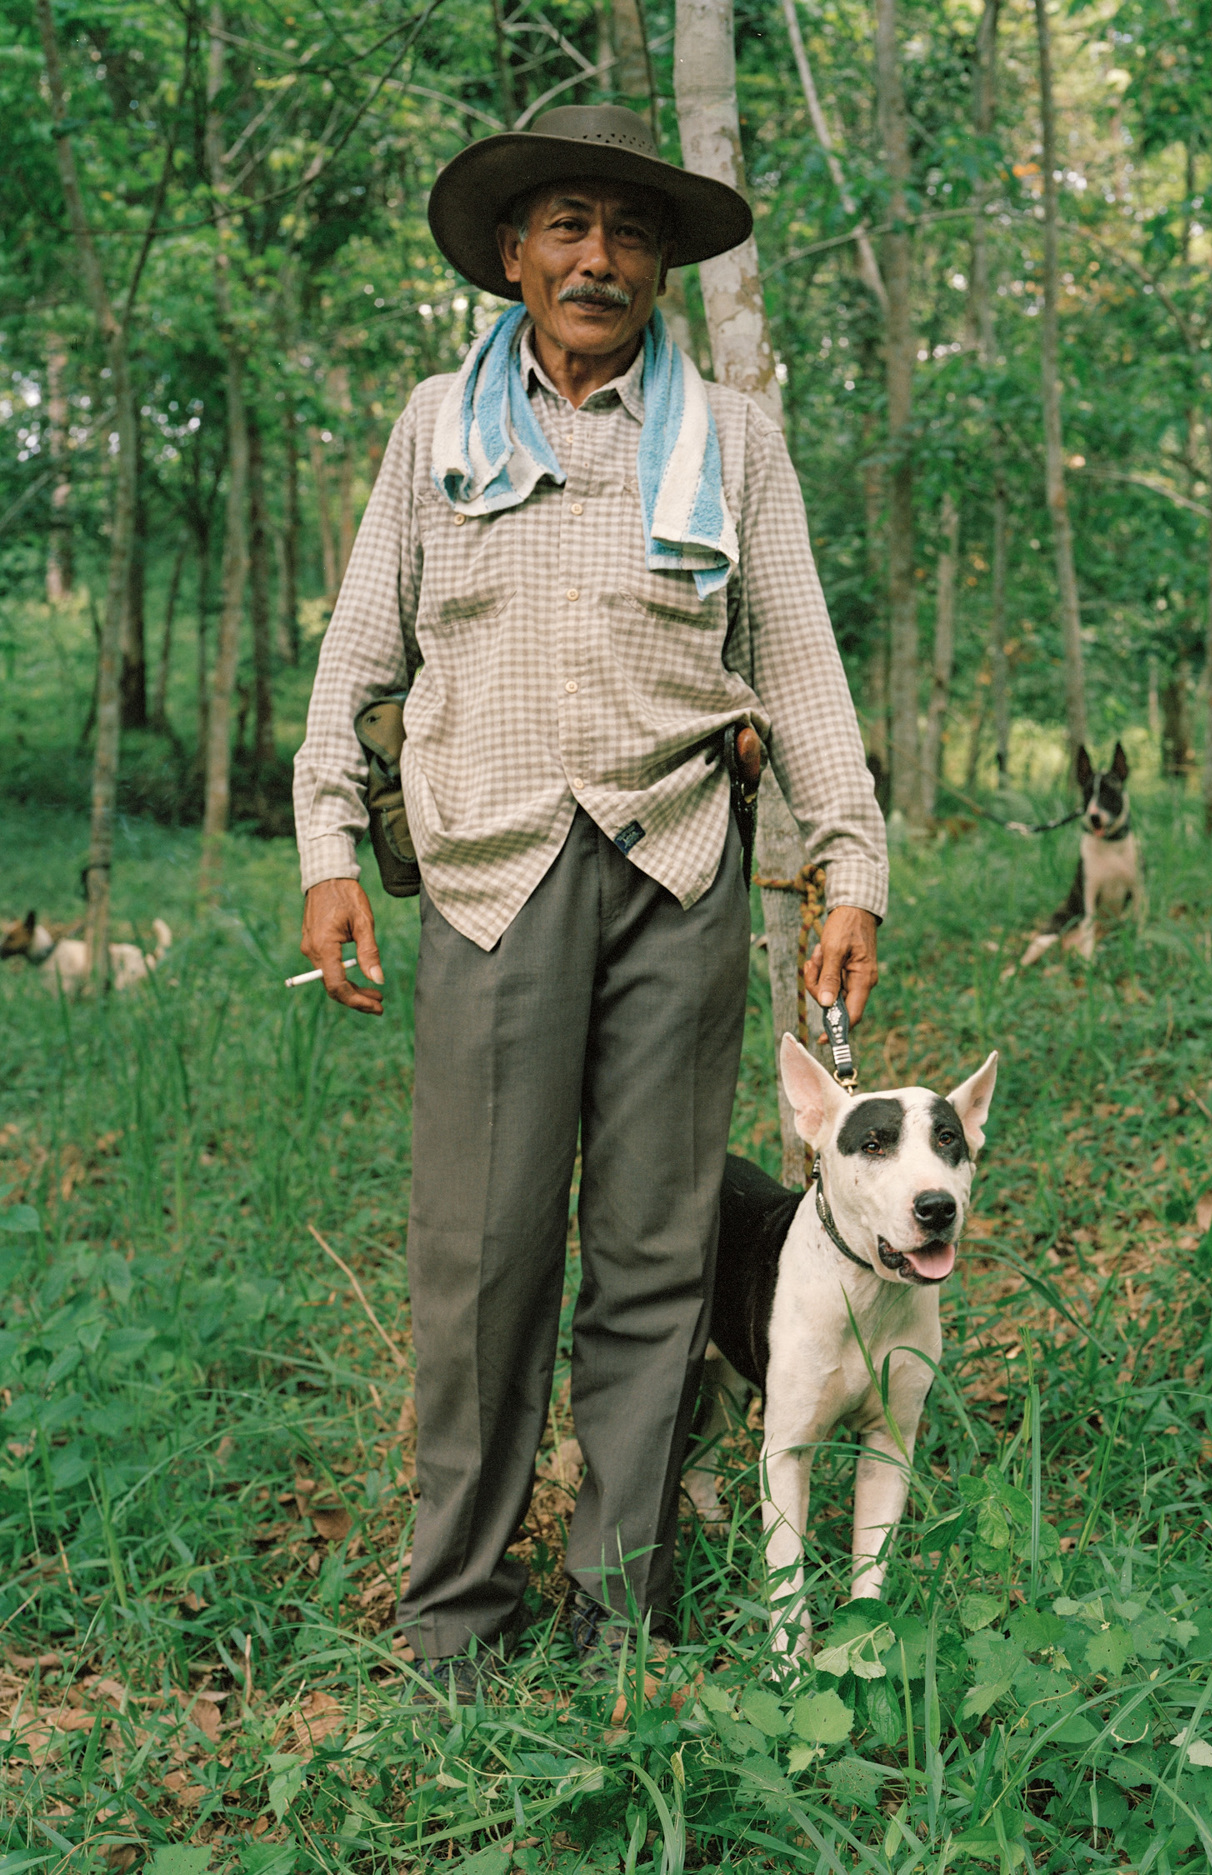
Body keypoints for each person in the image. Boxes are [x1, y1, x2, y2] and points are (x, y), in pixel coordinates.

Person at [292, 105, 887, 1697]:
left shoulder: (731, 439)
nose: (597, 258)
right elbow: (362, 656)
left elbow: (805, 663)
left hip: (677, 861)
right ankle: (456, 1621)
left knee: (656, 1252)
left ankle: (617, 1607)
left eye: (628, 232)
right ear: (512, 256)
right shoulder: (436, 428)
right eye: (566, 224)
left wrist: (852, 862)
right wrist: (329, 852)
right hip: (491, 873)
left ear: (666, 268)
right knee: (481, 1259)